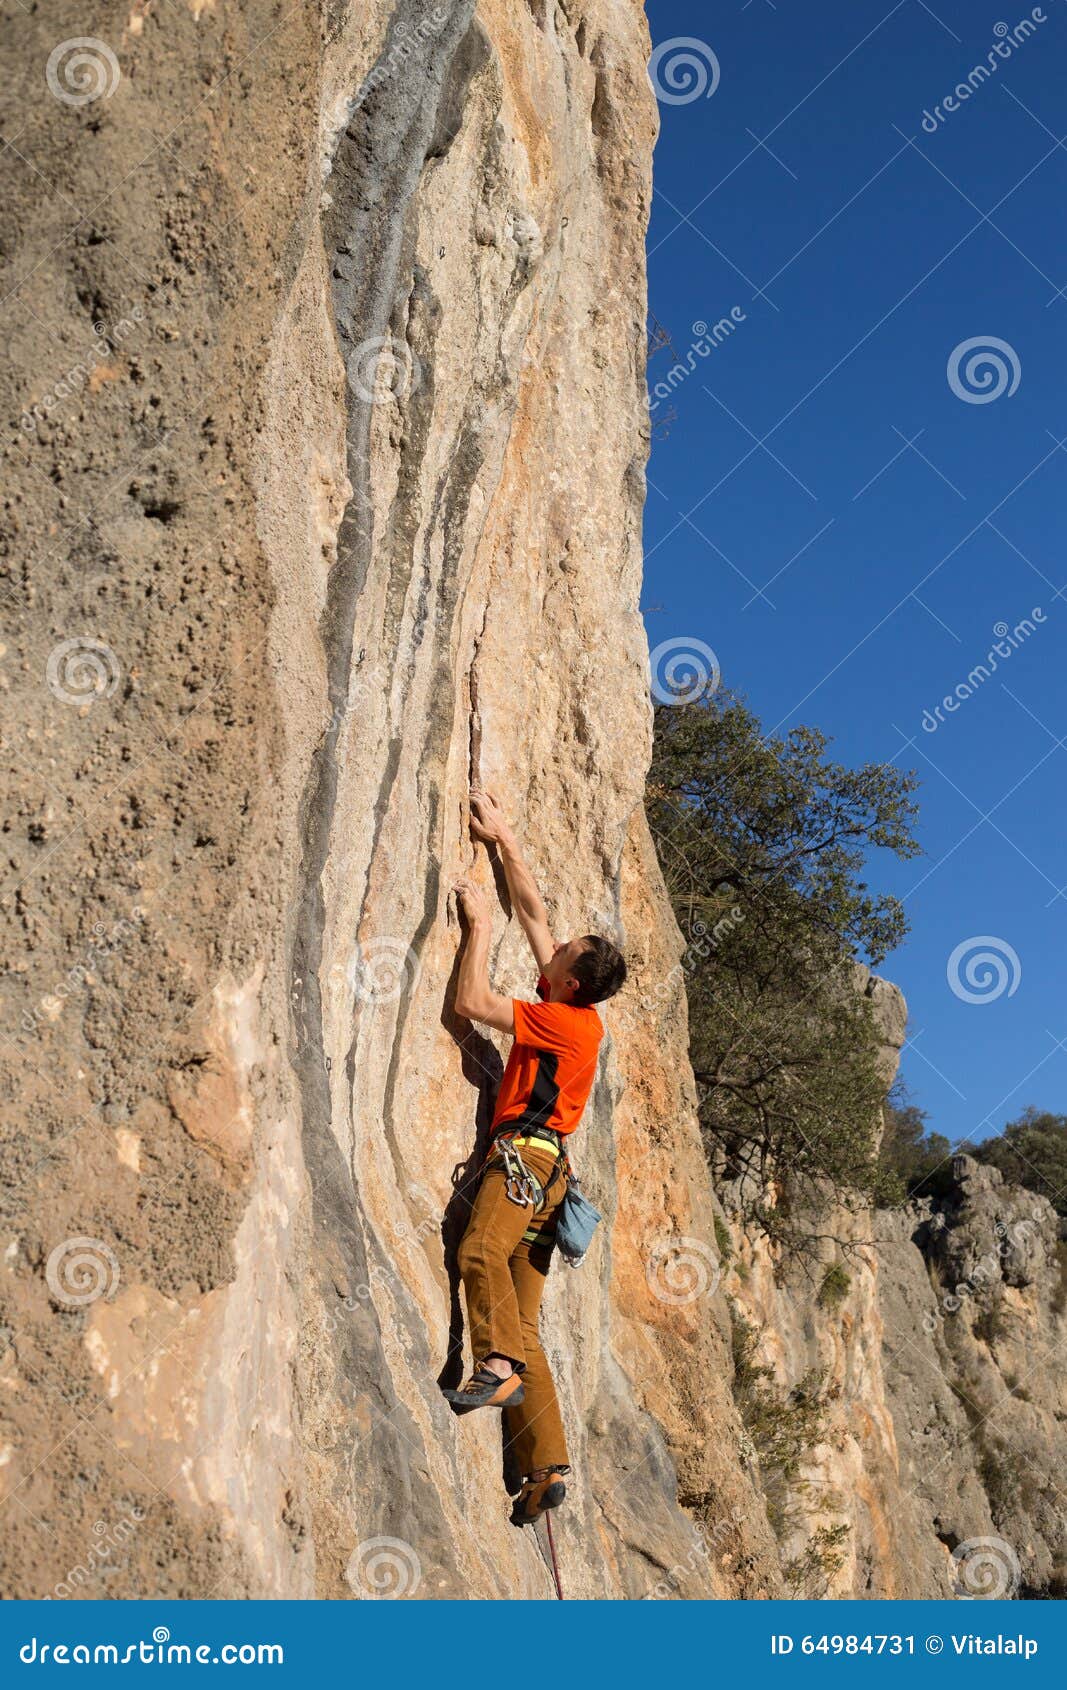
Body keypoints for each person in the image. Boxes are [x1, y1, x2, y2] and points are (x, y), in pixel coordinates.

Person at [446, 789, 627, 1526]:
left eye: (559, 957)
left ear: (569, 982)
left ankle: (492, 1368)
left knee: (478, 1254)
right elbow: (536, 914)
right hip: (549, 1181)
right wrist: (504, 842)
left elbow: (469, 1002)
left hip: (524, 1164)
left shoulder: (561, 1023)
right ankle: (543, 1467)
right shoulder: (573, 1010)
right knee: (525, 1327)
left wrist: (475, 928)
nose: (547, 952)